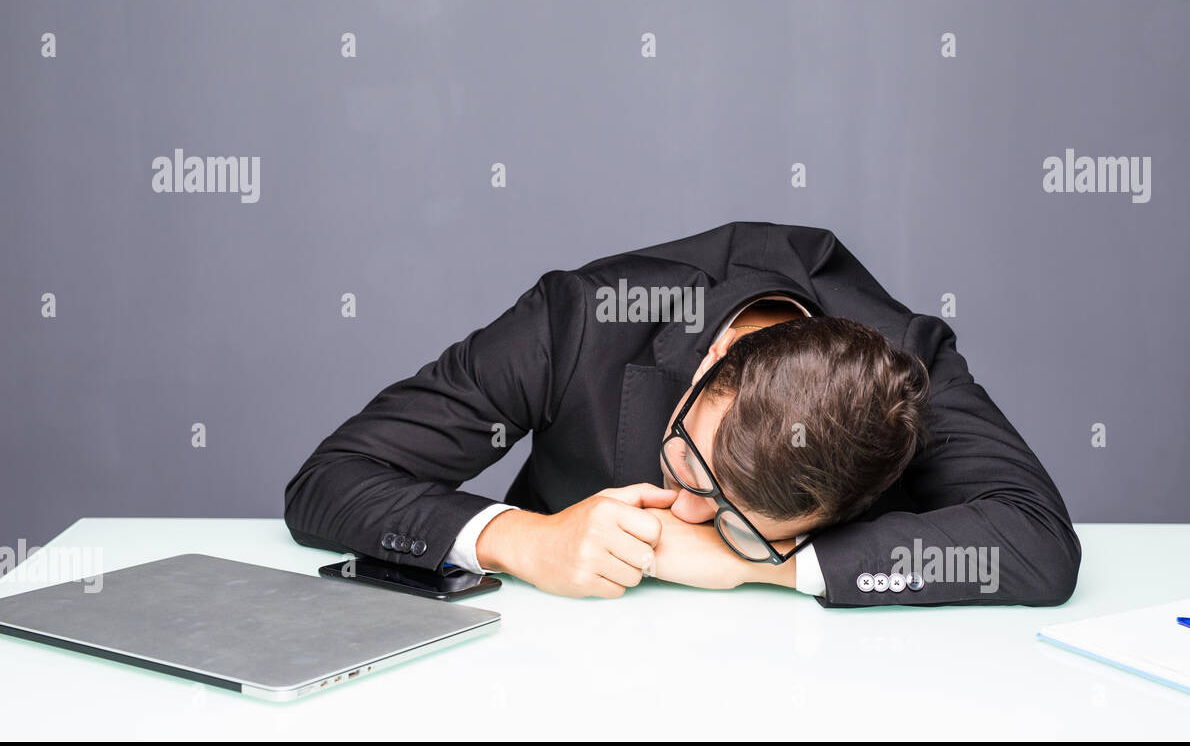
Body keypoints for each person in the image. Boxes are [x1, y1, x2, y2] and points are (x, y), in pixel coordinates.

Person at [283, 221, 1081, 607]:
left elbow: (1039, 544)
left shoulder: (904, 367)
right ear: (710, 363)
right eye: (690, 467)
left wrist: (757, 564)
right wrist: (521, 537)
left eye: (744, 519)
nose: (688, 516)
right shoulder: (583, 319)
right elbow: (329, 481)